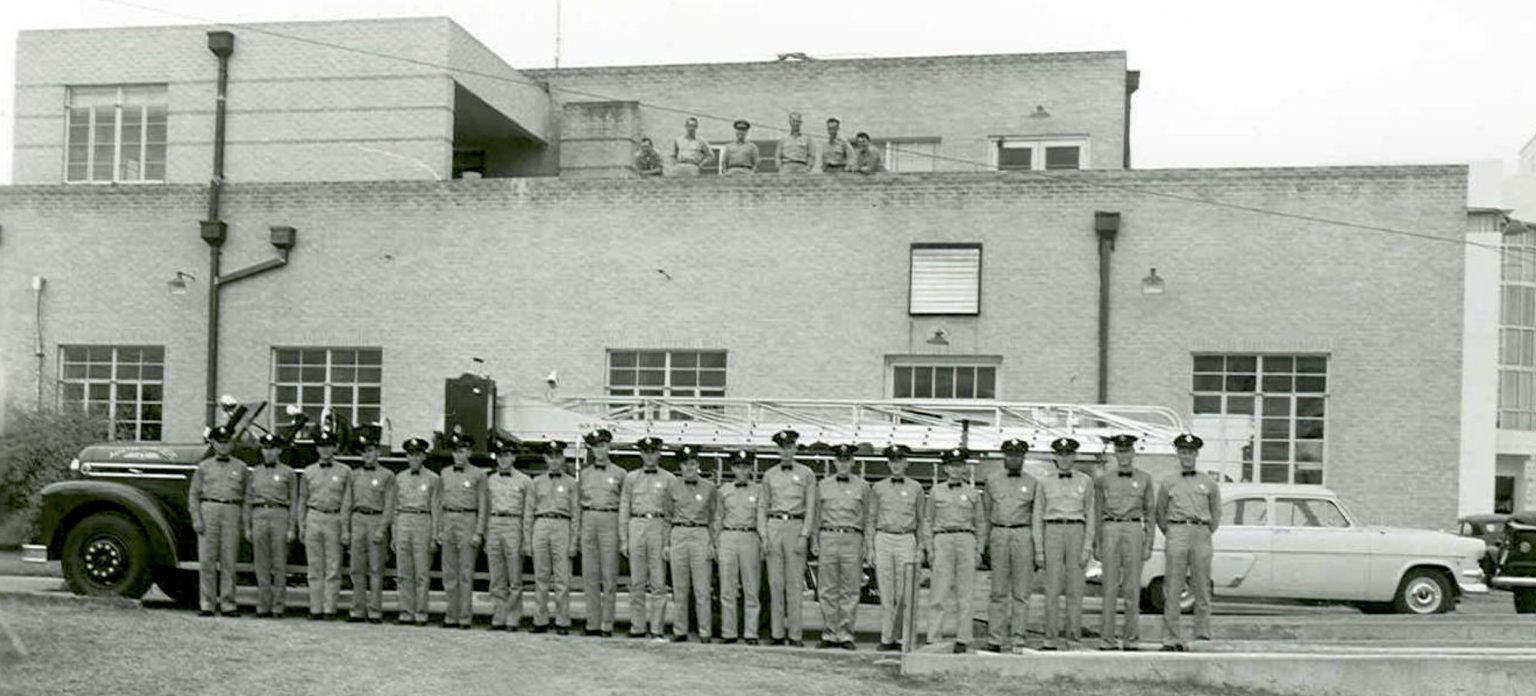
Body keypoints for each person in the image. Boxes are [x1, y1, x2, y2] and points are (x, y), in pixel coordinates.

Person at [1156, 434, 1220, 652]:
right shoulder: (1168, 482)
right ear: (1178, 454)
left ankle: (1202, 635)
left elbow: (1216, 513)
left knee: (1202, 586)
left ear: (1197, 454)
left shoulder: (1209, 482)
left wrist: (1202, 530)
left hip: (1201, 532)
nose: (1187, 456)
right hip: (1177, 531)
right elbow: (1160, 512)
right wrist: (1174, 531)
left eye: (1191, 452)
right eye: (1183, 452)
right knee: (1173, 587)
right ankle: (1171, 637)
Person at [1033, 437, 1097, 651]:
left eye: (1068, 454)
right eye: (1060, 454)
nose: (1064, 458)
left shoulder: (1085, 481)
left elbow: (1091, 514)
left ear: (1074, 456)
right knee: (1051, 588)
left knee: (1075, 588)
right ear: (1055, 457)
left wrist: (1087, 545)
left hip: (1076, 531)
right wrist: (1039, 549)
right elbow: (1037, 516)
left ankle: (1073, 639)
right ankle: (1050, 639)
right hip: (1052, 530)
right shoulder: (1044, 482)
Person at [1096, 434, 1155, 651]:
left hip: (1133, 529)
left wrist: (1149, 543)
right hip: (1110, 528)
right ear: (1114, 453)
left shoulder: (1145, 479)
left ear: (1133, 452)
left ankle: (1131, 639)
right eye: (1119, 451)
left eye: (1127, 450)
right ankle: (1107, 639)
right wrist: (1097, 543)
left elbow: (1150, 513)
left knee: (1132, 588)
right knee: (1109, 587)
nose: (1123, 455)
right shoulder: (1104, 480)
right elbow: (1097, 510)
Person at [924, 447, 987, 653]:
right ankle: (934, 637)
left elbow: (980, 522)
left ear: (964, 468)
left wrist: (979, 550)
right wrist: (930, 548)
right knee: (939, 592)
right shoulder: (936, 491)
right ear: (946, 468)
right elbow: (928, 520)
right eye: (952, 466)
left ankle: (963, 638)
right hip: (942, 539)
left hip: (966, 539)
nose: (956, 470)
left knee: (965, 593)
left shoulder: (972, 493)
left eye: (959, 466)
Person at [981, 438, 1041, 653]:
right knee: (998, 591)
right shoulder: (992, 481)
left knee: (1021, 592)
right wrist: (985, 543)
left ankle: (1018, 638)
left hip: (1023, 535)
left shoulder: (1034, 483)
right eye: (1010, 455)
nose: (1014, 459)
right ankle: (995, 638)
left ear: (1023, 458)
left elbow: (1036, 516)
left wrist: (1037, 547)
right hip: (999, 533)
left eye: (1018, 455)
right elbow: (986, 514)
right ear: (1004, 457)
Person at [761, 428, 817, 647]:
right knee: (775, 584)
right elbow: (763, 507)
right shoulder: (769, 475)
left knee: (794, 584)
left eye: (790, 447)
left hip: (795, 525)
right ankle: (776, 633)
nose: (786, 452)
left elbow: (811, 506)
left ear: (795, 448)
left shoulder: (807, 474)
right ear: (777, 450)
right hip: (774, 525)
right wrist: (764, 535)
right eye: (782, 448)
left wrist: (805, 534)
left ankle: (795, 634)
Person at [813, 443, 869, 650]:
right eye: (840, 460)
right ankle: (829, 633)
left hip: (852, 537)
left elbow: (868, 516)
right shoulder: (823, 485)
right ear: (834, 462)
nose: (843, 464)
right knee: (827, 589)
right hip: (828, 536)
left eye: (847, 460)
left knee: (850, 589)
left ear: (852, 462)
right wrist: (814, 540)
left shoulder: (863, 486)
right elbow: (817, 515)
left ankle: (845, 634)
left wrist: (867, 543)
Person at [189, 424, 247, 617]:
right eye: (220, 442)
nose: (223, 446)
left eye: (227, 442)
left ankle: (228, 604)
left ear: (232, 444)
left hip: (232, 510)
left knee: (229, 561)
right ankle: (206, 603)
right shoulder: (204, 467)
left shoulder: (240, 467)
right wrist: (197, 518)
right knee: (207, 561)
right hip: (209, 510)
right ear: (213, 443)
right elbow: (193, 495)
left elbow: (247, 496)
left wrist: (243, 521)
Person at [869, 444, 923, 651]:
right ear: (888, 463)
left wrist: (921, 548)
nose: (896, 465)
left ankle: (903, 638)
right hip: (883, 538)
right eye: (892, 461)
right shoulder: (878, 488)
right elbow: (871, 518)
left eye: (900, 460)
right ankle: (886, 638)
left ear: (907, 463)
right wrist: (870, 547)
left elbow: (921, 519)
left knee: (905, 592)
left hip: (906, 538)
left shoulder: (916, 488)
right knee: (886, 591)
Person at [620, 436, 674, 640]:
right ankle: (637, 626)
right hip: (637, 525)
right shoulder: (631, 478)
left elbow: (671, 513)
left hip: (658, 527)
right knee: (637, 581)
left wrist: (668, 541)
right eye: (646, 452)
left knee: (659, 582)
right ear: (641, 454)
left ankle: (657, 628)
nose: (650, 456)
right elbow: (624, 507)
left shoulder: (669, 479)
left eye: (653, 452)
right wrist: (624, 538)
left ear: (659, 453)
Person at [714, 448, 765, 645]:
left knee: (751, 588)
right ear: (732, 468)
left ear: (751, 468)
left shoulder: (759, 491)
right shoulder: (723, 491)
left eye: (745, 467)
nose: (741, 471)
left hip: (750, 537)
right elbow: (718, 518)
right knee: (727, 588)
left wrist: (762, 541)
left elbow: (761, 517)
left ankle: (751, 632)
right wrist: (717, 543)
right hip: (728, 536)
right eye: (738, 466)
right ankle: (729, 632)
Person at [666, 445, 717, 643]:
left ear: (698, 465)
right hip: (678, 533)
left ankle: (705, 631)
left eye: (693, 463)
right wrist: (667, 544)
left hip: (700, 533)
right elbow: (667, 517)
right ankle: (680, 630)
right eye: (686, 463)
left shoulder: (709, 488)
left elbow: (714, 517)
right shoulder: (672, 487)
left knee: (702, 588)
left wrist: (712, 543)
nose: (690, 467)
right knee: (679, 587)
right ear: (680, 465)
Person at [298, 429, 351, 620]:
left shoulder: (345, 472)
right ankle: (315, 608)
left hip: (334, 518)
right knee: (314, 566)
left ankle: (330, 609)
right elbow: (302, 500)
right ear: (317, 448)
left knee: (333, 566)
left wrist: (345, 528)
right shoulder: (308, 472)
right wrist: (301, 525)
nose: (325, 450)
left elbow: (347, 502)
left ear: (335, 447)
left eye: (329, 446)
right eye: (321, 446)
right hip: (314, 516)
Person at [245, 432, 297, 618]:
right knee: (261, 564)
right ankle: (263, 604)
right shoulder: (254, 472)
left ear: (279, 451)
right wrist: (248, 526)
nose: (269, 453)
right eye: (266, 449)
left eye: (272, 449)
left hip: (280, 515)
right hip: (259, 514)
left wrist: (292, 527)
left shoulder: (288, 473)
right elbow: (248, 500)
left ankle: (278, 606)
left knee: (279, 563)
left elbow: (294, 501)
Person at [529, 441, 579, 634]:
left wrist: (574, 541)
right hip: (541, 525)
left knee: (562, 578)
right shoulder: (536, 482)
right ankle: (540, 620)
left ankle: (562, 621)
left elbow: (576, 513)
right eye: (551, 457)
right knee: (540, 577)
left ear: (563, 458)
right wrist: (528, 539)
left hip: (562, 525)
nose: (554, 461)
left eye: (558, 456)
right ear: (545, 459)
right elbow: (529, 512)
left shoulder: (572, 483)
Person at [438, 432, 487, 628]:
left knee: (465, 572)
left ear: (469, 452)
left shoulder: (478, 475)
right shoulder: (445, 473)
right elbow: (439, 502)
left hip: (468, 519)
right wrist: (439, 529)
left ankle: (465, 617)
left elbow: (483, 504)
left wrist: (479, 531)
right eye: (456, 452)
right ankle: (451, 615)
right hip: (449, 519)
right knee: (449, 572)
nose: (459, 455)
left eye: (463, 451)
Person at [486, 435, 534, 631]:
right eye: (500, 456)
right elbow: (487, 506)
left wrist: (526, 536)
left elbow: (528, 512)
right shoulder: (489, 480)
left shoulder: (525, 481)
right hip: (495, 524)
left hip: (514, 524)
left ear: (514, 457)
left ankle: (513, 618)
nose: (503, 460)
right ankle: (498, 617)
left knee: (514, 577)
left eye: (507, 456)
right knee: (496, 576)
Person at [578, 428, 623, 637]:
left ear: (609, 447)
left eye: (603, 445)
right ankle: (592, 623)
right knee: (590, 575)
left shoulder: (620, 474)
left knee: (609, 576)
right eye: (596, 446)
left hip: (610, 520)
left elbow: (625, 505)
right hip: (589, 520)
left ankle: (607, 624)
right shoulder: (584, 474)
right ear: (591, 449)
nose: (600, 450)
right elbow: (578, 504)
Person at [347, 429, 395, 624]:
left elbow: (389, 505)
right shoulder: (354, 475)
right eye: (364, 451)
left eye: (371, 450)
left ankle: (375, 610)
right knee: (356, 569)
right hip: (358, 519)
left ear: (378, 452)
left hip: (376, 520)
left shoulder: (387, 475)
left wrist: (382, 528)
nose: (367, 454)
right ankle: (358, 609)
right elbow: (347, 503)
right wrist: (346, 529)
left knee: (376, 569)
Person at [393, 437, 440, 626]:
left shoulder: (433, 479)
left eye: (418, 454)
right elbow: (396, 507)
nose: (414, 458)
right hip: (404, 519)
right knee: (404, 572)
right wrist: (394, 532)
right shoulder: (400, 478)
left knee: (422, 572)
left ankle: (421, 613)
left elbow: (436, 507)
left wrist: (435, 535)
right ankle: (406, 612)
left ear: (424, 456)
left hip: (423, 520)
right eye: (410, 454)